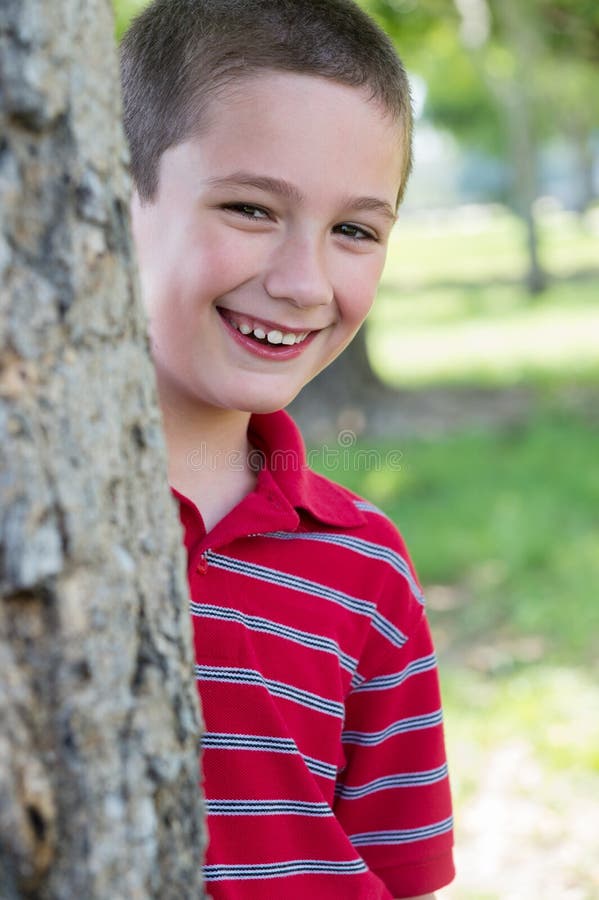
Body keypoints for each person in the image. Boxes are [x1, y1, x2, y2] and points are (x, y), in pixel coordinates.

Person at [120, 1, 455, 897]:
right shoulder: (40, 520)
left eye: (354, 230)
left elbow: (400, 872)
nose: (303, 283)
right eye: (250, 207)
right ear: (109, 200)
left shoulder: (364, 567)